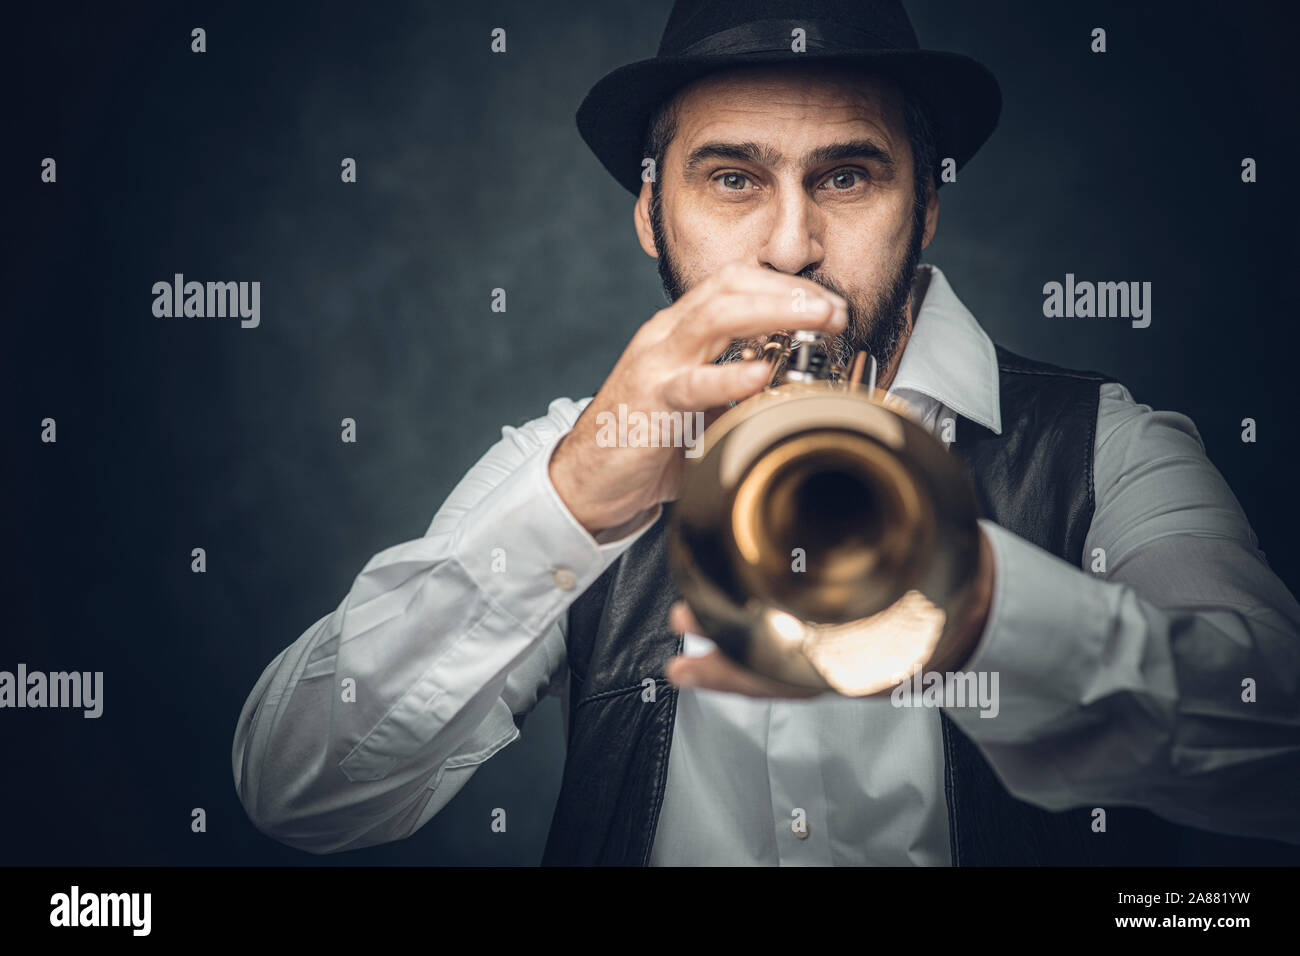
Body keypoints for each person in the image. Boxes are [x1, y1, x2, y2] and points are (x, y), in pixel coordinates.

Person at [231, 0, 1300, 865]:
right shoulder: (578, 457)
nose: (790, 245)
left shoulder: (1106, 442)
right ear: (651, 215)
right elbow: (298, 791)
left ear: (924, 205)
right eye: (732, 178)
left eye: (847, 174)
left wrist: (968, 608)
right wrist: (570, 501)